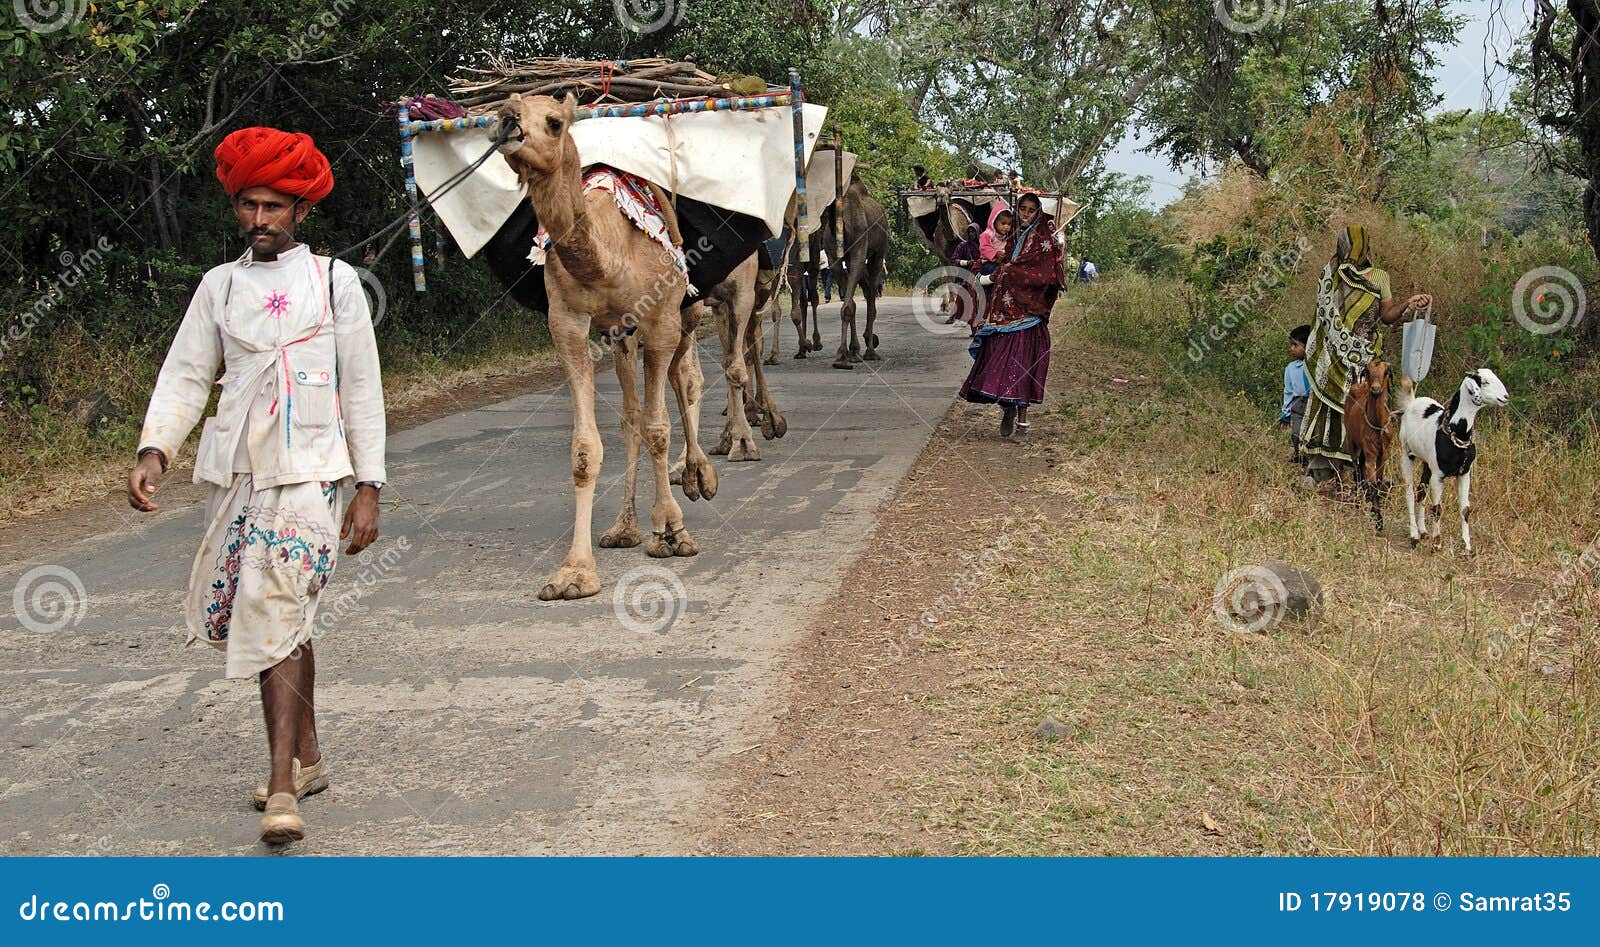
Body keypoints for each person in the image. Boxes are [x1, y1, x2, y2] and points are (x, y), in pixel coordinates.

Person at [128, 126, 387, 845]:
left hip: (311, 476)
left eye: (275, 205)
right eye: (249, 205)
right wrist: (156, 449)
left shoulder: (335, 282)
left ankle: (281, 788)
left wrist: (370, 486)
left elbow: (363, 388)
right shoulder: (220, 286)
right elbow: (184, 374)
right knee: (277, 614)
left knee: (273, 606)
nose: (261, 219)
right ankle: (308, 755)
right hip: (237, 474)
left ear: (301, 210)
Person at [1299, 225, 1432, 483]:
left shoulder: (1378, 277)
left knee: (1368, 409)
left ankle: (1364, 470)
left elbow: (1387, 316)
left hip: (1365, 360)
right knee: (1335, 409)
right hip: (1336, 357)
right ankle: (1325, 469)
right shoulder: (1332, 275)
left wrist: (1408, 303)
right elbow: (1327, 319)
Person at [959, 192, 1063, 438]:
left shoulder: (1043, 241)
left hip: (1029, 313)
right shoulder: (1012, 236)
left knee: (1024, 367)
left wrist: (1008, 272)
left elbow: (1044, 274)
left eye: (1030, 210)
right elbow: (1001, 264)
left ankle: (1022, 423)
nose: (1025, 214)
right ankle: (1008, 408)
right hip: (1005, 312)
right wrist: (998, 273)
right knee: (1003, 364)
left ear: (1038, 212)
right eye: (1022, 209)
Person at [1279, 325, 1312, 462]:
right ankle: (1300, 457)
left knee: (1313, 434)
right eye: (1291, 345)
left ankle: (1312, 459)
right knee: (1297, 433)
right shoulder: (1291, 369)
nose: (1292, 349)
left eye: (1295, 345)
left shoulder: (1317, 366)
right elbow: (1288, 392)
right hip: (1298, 405)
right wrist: (1285, 413)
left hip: (1314, 403)